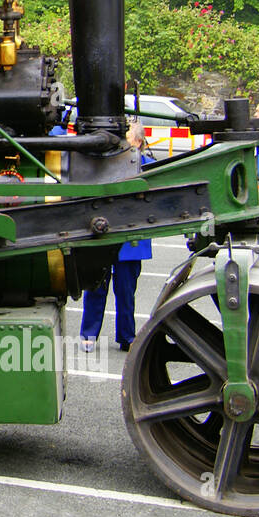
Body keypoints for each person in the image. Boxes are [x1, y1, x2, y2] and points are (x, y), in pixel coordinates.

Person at [80, 121, 153, 353]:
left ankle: (127, 336)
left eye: (127, 138)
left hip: (131, 239)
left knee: (126, 292)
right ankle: (89, 335)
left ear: (138, 143)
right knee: (95, 286)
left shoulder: (148, 166)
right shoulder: (105, 162)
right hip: (103, 233)